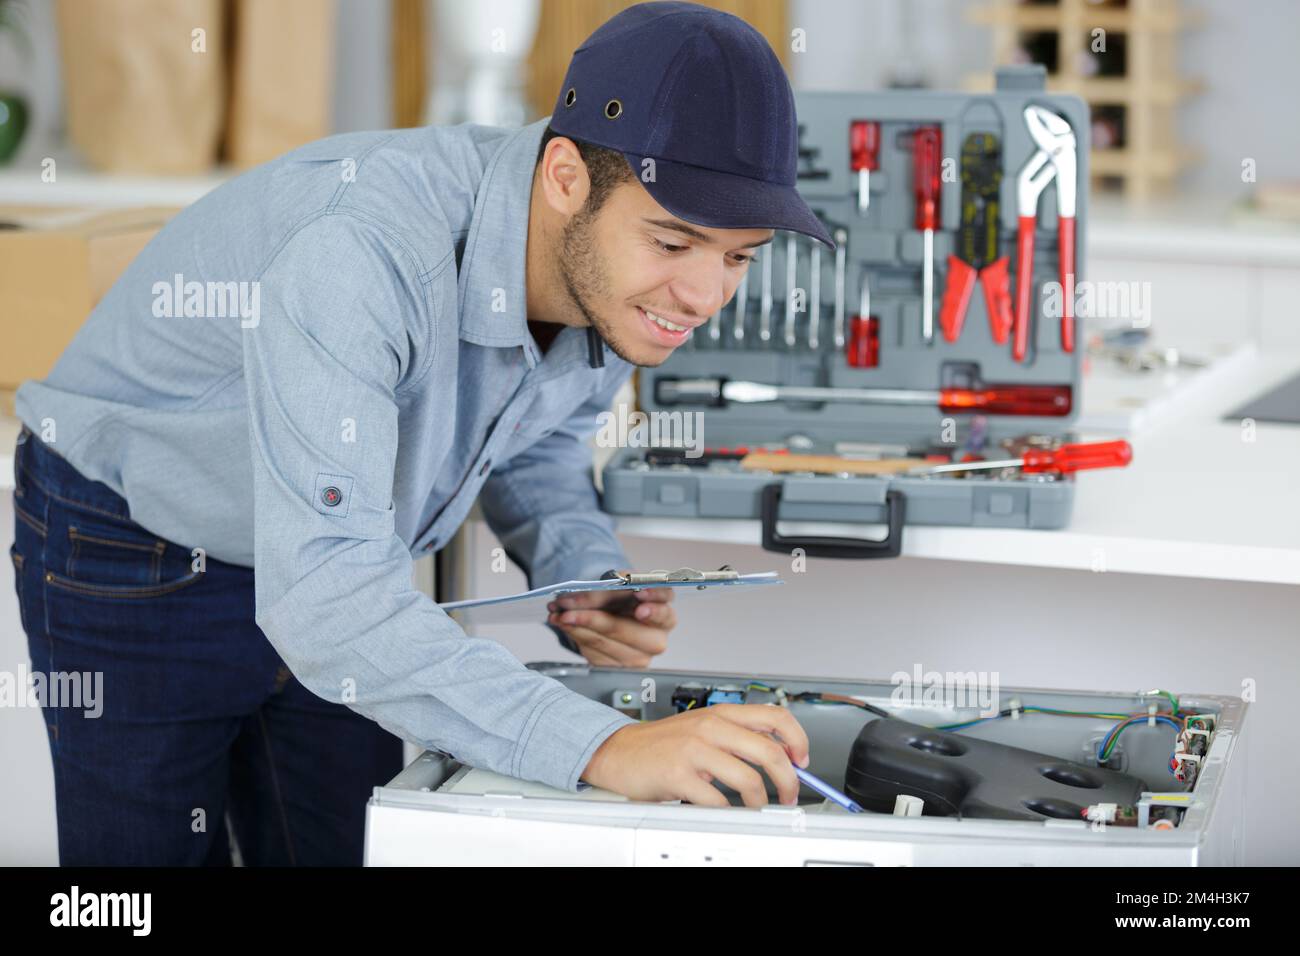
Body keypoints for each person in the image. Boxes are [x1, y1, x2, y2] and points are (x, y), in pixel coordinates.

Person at [9, 1, 832, 865]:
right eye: (675, 241)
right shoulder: (363, 252)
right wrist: (604, 748)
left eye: (738, 257)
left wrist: (579, 567)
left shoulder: (620, 283)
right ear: (564, 177)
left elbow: (539, 436)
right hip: (134, 540)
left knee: (346, 847)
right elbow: (328, 603)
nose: (703, 296)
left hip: (343, 564)